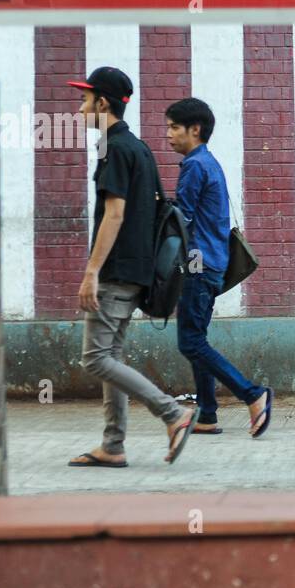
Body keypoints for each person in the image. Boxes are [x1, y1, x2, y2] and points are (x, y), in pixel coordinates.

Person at [66, 67, 198, 467]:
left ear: (103, 103)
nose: (80, 107)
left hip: (116, 271)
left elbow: (115, 214)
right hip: (138, 271)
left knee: (95, 359)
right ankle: (113, 445)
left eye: (85, 99)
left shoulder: (113, 149)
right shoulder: (138, 148)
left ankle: (173, 414)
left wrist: (91, 271)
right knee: (112, 357)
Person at [165, 98, 273, 438]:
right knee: (197, 339)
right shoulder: (207, 162)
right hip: (210, 263)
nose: (167, 134)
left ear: (194, 130)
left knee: (190, 343)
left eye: (173, 127)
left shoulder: (195, 165)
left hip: (198, 264)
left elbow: (182, 218)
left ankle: (253, 395)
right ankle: (208, 414)